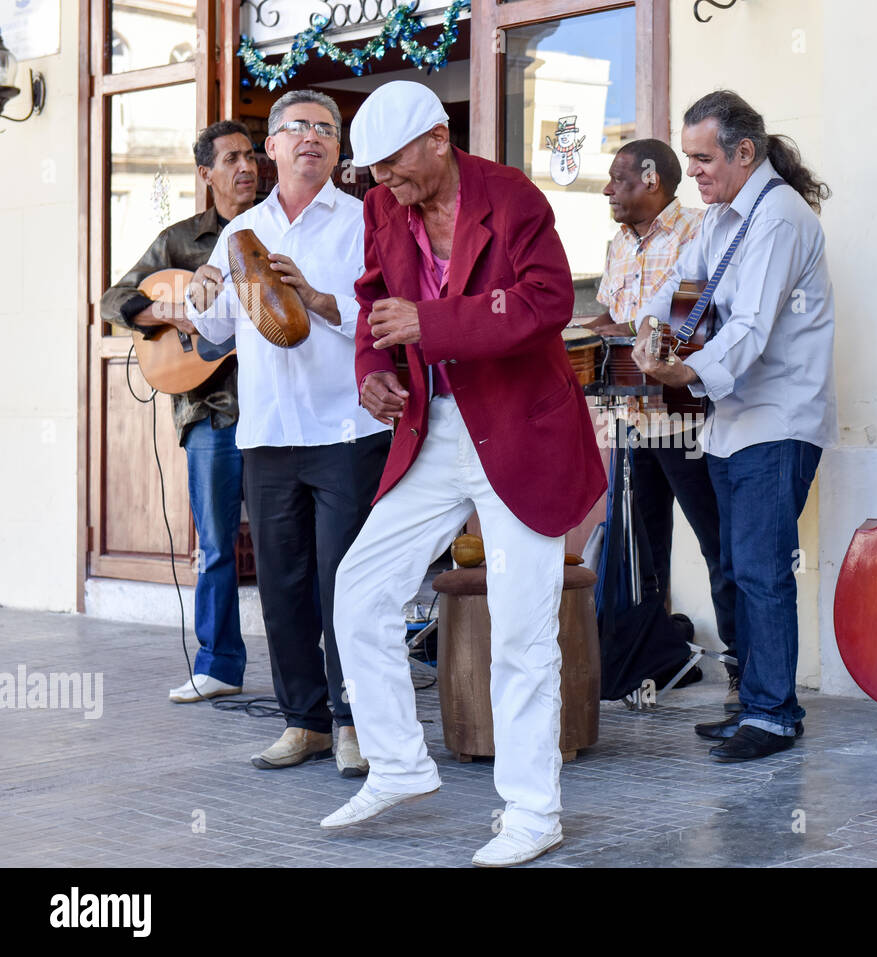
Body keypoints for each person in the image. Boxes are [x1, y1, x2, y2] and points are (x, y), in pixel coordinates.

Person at [322, 81, 605, 867]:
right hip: (436, 428)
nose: (383, 183)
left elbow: (548, 302)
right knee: (361, 588)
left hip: (522, 432)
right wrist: (374, 367)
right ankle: (399, 764)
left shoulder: (512, 197)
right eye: (373, 170)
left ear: (439, 140)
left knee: (521, 630)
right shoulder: (387, 208)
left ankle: (532, 810)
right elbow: (376, 295)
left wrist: (434, 323)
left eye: (394, 165)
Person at [178, 90, 390, 776]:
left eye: (325, 129)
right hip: (267, 432)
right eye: (296, 127)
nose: (311, 138)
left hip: (348, 430)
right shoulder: (241, 234)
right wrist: (201, 296)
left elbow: (391, 319)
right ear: (270, 147)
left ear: (336, 148)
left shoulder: (364, 223)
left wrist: (322, 302)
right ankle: (305, 721)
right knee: (283, 584)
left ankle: (355, 720)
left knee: (345, 586)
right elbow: (210, 339)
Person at [633, 91, 837, 762]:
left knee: (759, 570)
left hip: (776, 420)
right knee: (733, 566)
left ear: (744, 152)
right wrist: (649, 326)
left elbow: (750, 328)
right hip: (731, 421)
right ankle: (757, 700)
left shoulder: (777, 218)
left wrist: (682, 375)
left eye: (703, 158)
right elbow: (679, 286)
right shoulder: (722, 217)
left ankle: (775, 714)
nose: (693, 172)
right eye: (690, 157)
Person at [100, 120, 257, 704]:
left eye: (251, 157)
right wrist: (173, 314)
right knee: (217, 546)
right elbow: (116, 299)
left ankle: (314, 673)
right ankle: (218, 665)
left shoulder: (276, 229)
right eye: (232, 159)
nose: (246, 167)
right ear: (206, 174)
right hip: (211, 412)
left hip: (274, 412)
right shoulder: (181, 241)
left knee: (286, 546)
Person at [589, 138, 739, 709]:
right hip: (628, 415)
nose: (607, 189)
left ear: (651, 180)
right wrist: (586, 329)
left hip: (684, 418)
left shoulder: (699, 232)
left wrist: (633, 337)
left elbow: (697, 325)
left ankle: (743, 671)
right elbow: (618, 316)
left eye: (618, 179)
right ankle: (648, 663)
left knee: (716, 543)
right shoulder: (617, 244)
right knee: (639, 550)